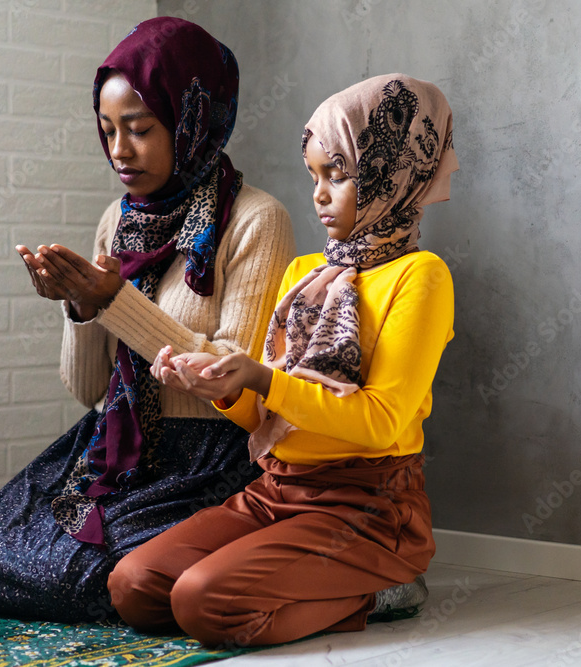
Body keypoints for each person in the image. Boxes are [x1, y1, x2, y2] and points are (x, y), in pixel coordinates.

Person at [0, 17, 295, 623]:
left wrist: (117, 304)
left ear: (191, 122)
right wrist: (80, 310)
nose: (119, 151)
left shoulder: (257, 221)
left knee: (105, 576)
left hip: (210, 458)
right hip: (114, 449)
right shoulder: (119, 219)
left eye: (141, 129)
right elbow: (88, 392)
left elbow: (235, 384)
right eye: (107, 130)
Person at [106, 73, 458, 647]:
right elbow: (273, 416)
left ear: (394, 174)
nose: (318, 193)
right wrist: (219, 387)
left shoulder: (420, 277)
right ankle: (311, 583)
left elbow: (380, 422)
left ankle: (383, 584)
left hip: (365, 507)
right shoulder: (303, 275)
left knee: (203, 604)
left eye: (337, 174)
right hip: (274, 490)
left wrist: (263, 378)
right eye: (314, 176)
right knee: (134, 586)